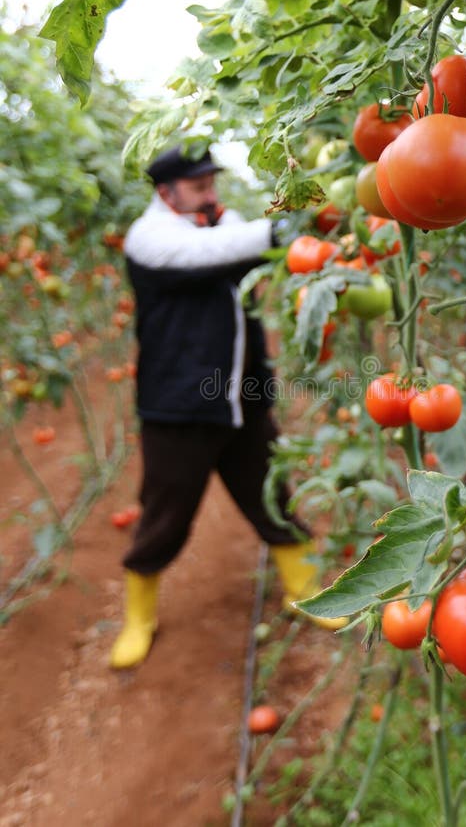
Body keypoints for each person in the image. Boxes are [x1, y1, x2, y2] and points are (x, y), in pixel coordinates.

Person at [110, 144, 347, 669]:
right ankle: (138, 618)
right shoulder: (150, 239)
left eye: (211, 182)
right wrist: (285, 227)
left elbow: (241, 245)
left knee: (271, 494)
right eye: (198, 186)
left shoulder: (221, 223)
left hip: (243, 396)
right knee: (165, 514)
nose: (210, 193)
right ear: (165, 191)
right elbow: (211, 254)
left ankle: (303, 591)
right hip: (179, 405)